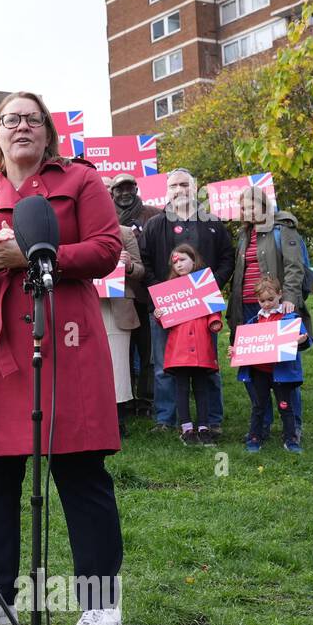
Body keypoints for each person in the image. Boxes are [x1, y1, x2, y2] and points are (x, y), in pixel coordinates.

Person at [0, 91, 125, 625]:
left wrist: (35, 254)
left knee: (79, 475)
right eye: (10, 120)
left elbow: (107, 249)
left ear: (47, 133)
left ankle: (100, 606)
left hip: (64, 346)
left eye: (32, 119)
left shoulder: (80, 182)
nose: (21, 127)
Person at [141, 168, 233, 436]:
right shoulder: (155, 224)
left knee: (209, 366)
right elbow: (145, 261)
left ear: (195, 188)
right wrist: (159, 292)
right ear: (167, 191)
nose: (179, 190)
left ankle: (212, 420)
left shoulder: (212, 223)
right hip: (165, 308)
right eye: (173, 186)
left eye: (184, 184)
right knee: (163, 366)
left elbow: (228, 258)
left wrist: (212, 285)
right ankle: (165, 419)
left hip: (203, 309)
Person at [226, 187, 310, 439]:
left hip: (276, 306)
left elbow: (295, 268)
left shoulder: (283, 229)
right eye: (243, 207)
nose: (247, 211)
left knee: (283, 367)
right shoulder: (244, 234)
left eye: (251, 206)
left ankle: (292, 426)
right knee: (254, 369)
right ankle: (261, 425)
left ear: (264, 206)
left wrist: (291, 300)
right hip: (248, 309)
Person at [230, 275, 309, 454]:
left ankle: (291, 440)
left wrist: (300, 340)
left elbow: (305, 339)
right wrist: (235, 350)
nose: (266, 304)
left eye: (270, 299)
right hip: (259, 373)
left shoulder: (289, 318)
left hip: (281, 373)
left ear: (280, 295)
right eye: (262, 300)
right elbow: (244, 343)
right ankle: (254, 438)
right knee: (258, 406)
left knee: (285, 406)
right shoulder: (255, 321)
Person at [155, 243, 223, 447]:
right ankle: (186, 428)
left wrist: (214, 321)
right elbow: (165, 320)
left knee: (202, 388)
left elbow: (213, 310)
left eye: (183, 260)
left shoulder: (205, 284)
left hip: (201, 346)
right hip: (179, 350)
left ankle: (203, 427)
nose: (179, 265)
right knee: (182, 388)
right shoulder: (169, 289)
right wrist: (159, 316)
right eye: (175, 262)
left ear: (194, 260)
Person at [109, 173, 158, 418]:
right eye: (119, 189)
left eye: (129, 187)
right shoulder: (103, 219)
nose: (125, 193)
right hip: (117, 296)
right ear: (113, 193)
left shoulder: (152, 214)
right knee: (122, 353)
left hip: (146, 292)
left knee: (147, 352)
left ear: (137, 188)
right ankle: (125, 401)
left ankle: (146, 400)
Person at [99, 214, 146, 436]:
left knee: (118, 363)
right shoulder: (77, 229)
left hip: (118, 304)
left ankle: (117, 419)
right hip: (87, 303)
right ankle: (92, 416)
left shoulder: (125, 232)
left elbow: (139, 270)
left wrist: (127, 266)